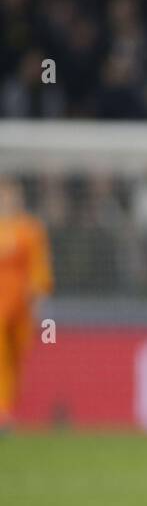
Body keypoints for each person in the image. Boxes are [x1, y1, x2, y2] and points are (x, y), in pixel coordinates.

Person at [0, 178, 53, 430]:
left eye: (12, 195)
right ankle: (3, 410)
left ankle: (8, 408)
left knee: (17, 356)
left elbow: (38, 267)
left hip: (21, 305)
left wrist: (38, 299)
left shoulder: (30, 229)